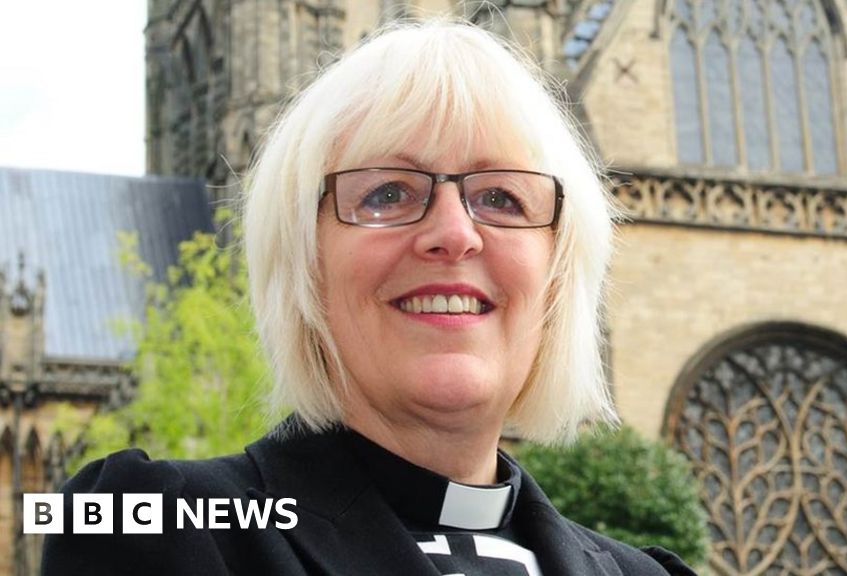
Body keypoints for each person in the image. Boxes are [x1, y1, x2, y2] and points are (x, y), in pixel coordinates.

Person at [42, 19, 697, 576]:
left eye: (501, 196)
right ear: (303, 261)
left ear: (558, 273)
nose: (453, 233)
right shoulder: (155, 528)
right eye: (387, 192)